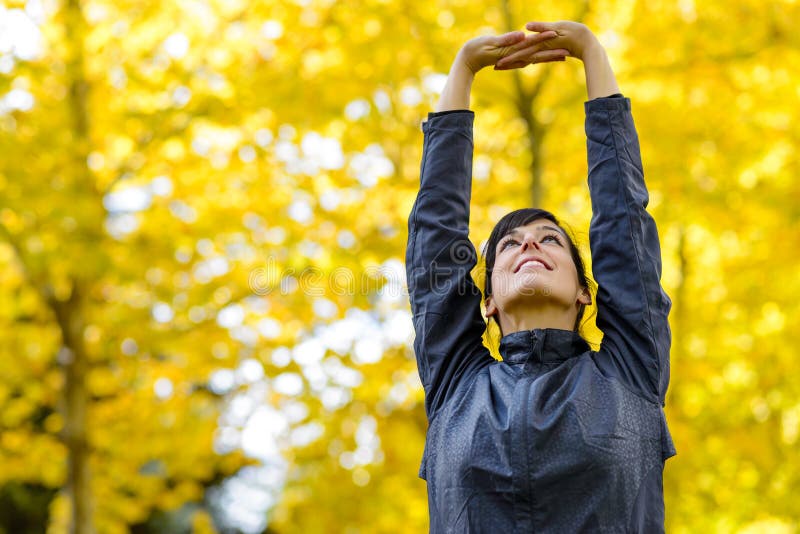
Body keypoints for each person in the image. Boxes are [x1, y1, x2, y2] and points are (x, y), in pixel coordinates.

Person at [405, 20, 676, 532]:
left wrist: (591, 53)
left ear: (585, 293)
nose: (529, 243)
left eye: (550, 240)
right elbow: (434, 241)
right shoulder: (455, 384)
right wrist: (463, 70)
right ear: (487, 300)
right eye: (508, 245)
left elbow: (624, 221)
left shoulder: (629, 371)